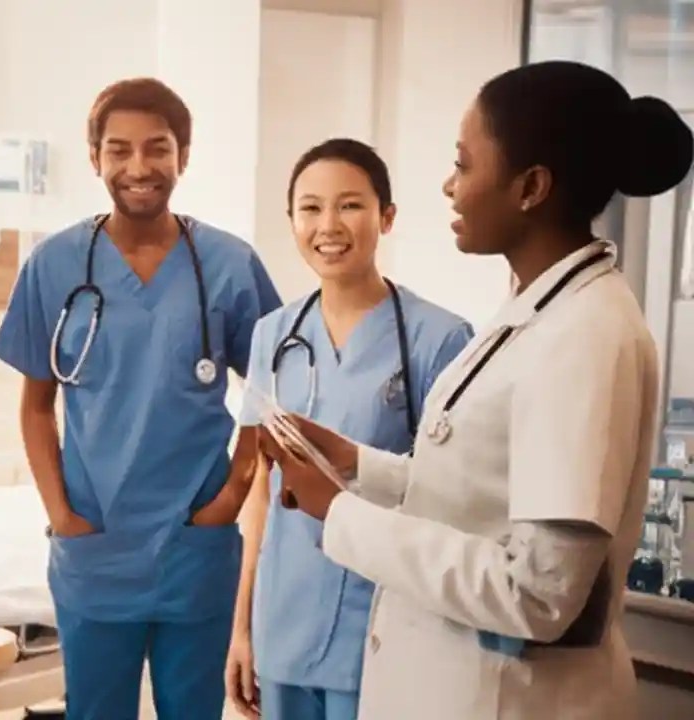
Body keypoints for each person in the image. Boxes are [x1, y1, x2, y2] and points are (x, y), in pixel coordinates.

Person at [259, 60, 694, 719]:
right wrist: (356, 466)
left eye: (463, 165)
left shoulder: (584, 335)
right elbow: (477, 493)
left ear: (531, 187)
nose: (449, 185)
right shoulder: (538, 312)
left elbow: (540, 592)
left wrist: (340, 513)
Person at [0, 77, 282, 719]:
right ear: (94, 158)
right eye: (119, 150)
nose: (139, 167)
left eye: (158, 148)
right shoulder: (55, 264)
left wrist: (232, 494)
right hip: (95, 543)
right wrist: (61, 513)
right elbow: (35, 405)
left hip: (194, 545)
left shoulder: (229, 264)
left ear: (184, 155)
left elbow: (271, 391)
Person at [224, 138, 473, 720]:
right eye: (310, 208)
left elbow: (454, 495)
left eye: (350, 205)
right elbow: (260, 492)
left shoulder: (440, 340)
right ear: (292, 220)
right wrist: (242, 627)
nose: (329, 225)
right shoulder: (272, 335)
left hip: (384, 622)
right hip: (284, 621)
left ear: (387, 217)